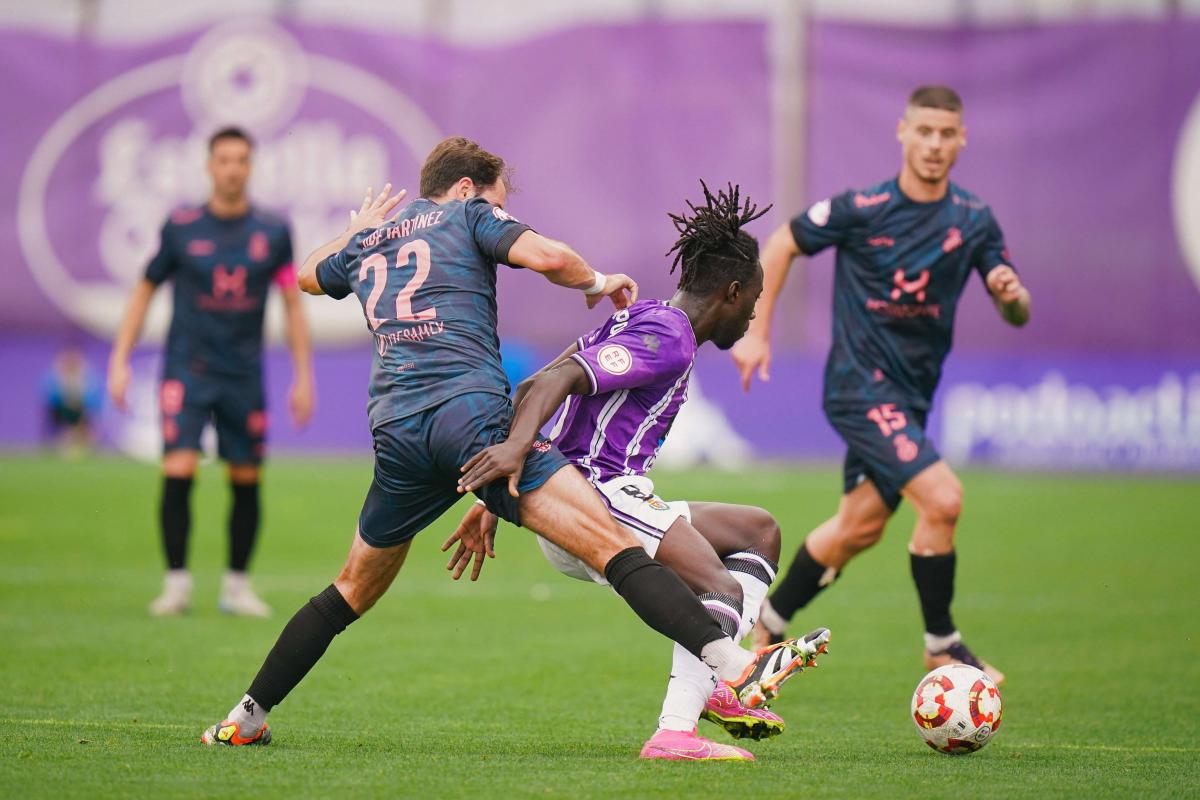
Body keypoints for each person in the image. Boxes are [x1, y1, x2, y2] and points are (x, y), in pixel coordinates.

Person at [199, 138, 815, 747]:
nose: (502, 212)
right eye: (499, 202)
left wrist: (353, 231)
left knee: (351, 588)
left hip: (396, 432)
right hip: (469, 418)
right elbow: (547, 257)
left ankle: (244, 717)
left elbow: (308, 276)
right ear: (467, 189)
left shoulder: (371, 241)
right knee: (613, 543)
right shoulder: (468, 214)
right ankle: (733, 667)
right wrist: (598, 279)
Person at [446, 182, 831, 762]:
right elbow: (556, 381)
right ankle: (677, 729)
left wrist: (498, 495)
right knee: (720, 588)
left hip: (583, 492)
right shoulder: (668, 337)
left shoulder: (647, 316)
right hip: (593, 494)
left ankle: (714, 680)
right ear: (731, 292)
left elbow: (535, 386)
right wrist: (511, 464)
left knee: (758, 531)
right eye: (753, 301)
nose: (754, 314)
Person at [731, 86, 1030, 683]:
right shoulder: (863, 208)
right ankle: (942, 644)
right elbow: (784, 241)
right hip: (859, 388)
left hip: (911, 398)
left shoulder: (973, 221)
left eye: (946, 134)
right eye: (925, 131)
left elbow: (1017, 311)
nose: (934, 144)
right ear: (903, 133)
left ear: (961, 140)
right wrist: (757, 330)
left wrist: (1011, 296)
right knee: (943, 499)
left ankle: (767, 623)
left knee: (857, 529)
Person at [108, 126, 314, 618]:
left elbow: (291, 302)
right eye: (224, 160)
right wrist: (119, 358)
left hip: (243, 374)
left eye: (241, 160)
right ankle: (176, 584)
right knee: (179, 467)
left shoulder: (273, 232)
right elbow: (144, 289)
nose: (232, 169)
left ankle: (236, 586)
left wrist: (303, 375)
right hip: (188, 369)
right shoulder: (181, 227)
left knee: (245, 476)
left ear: (250, 166)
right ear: (209, 166)